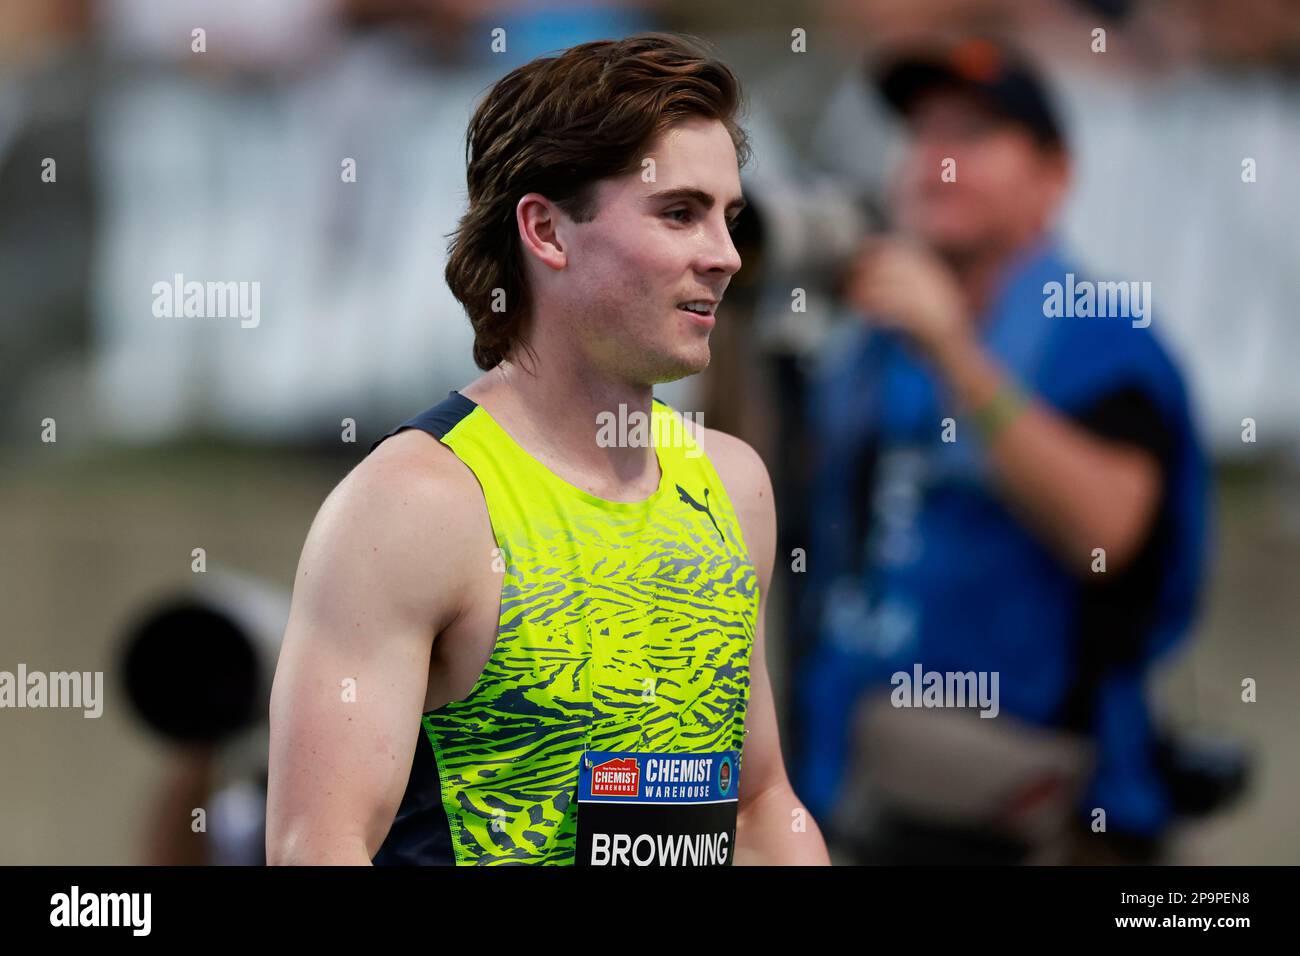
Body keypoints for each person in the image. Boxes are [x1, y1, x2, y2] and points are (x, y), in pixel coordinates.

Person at [266, 33, 829, 866]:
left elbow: (758, 804)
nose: (726, 255)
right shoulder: (418, 503)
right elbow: (319, 847)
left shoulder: (731, 482)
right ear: (546, 231)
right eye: (680, 212)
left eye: (729, 217)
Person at [795, 37, 1210, 864]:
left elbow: (1108, 537)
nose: (936, 160)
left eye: (974, 136)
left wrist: (956, 352)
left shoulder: (1102, 336)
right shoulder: (870, 349)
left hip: (1048, 811)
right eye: (921, 135)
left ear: (1054, 180)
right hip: (871, 802)